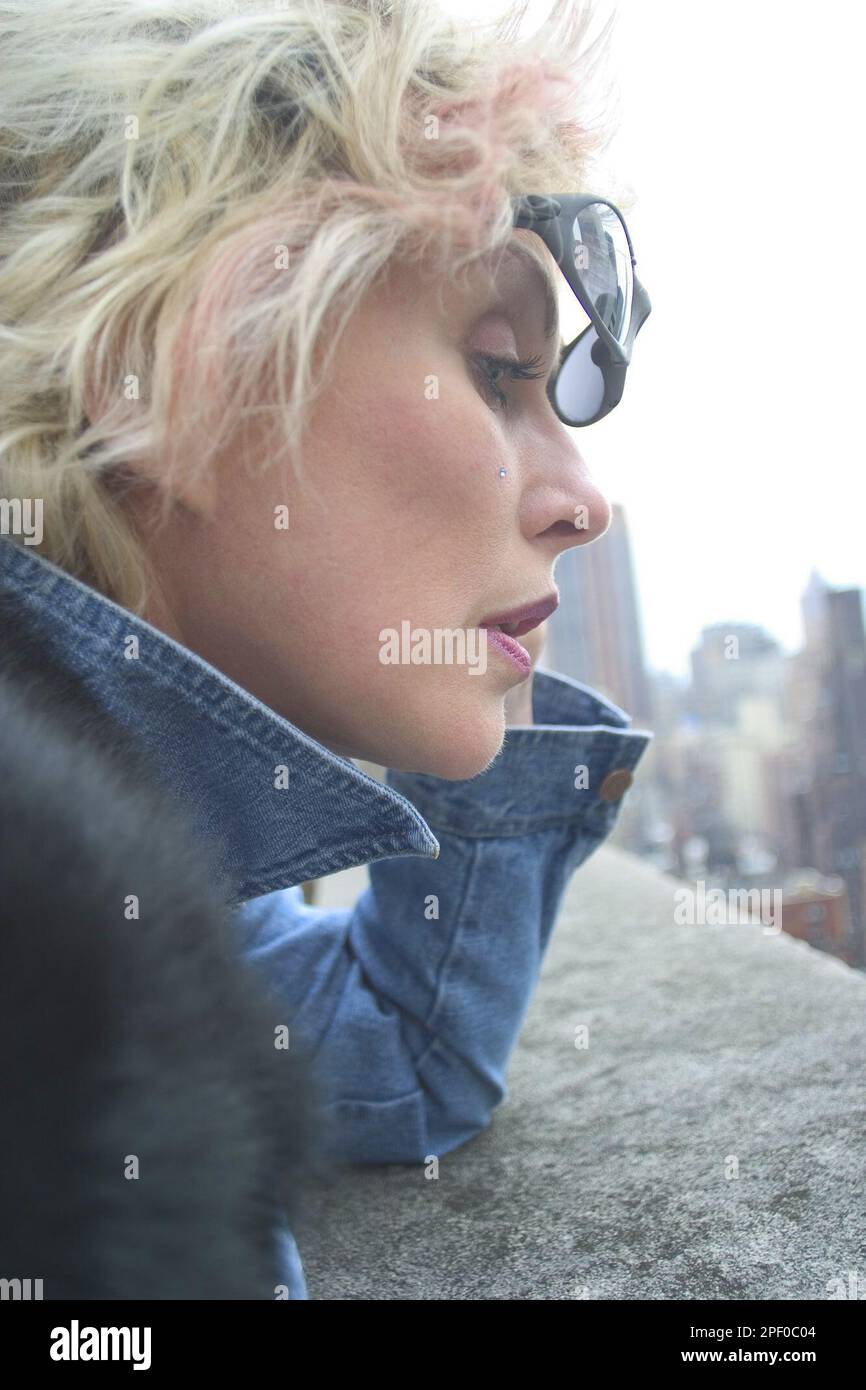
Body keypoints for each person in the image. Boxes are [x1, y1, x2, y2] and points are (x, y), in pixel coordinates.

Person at [0, 0, 653, 1299]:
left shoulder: (128, 840)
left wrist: (475, 687)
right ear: (156, 371)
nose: (584, 500)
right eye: (493, 372)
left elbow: (389, 1064)